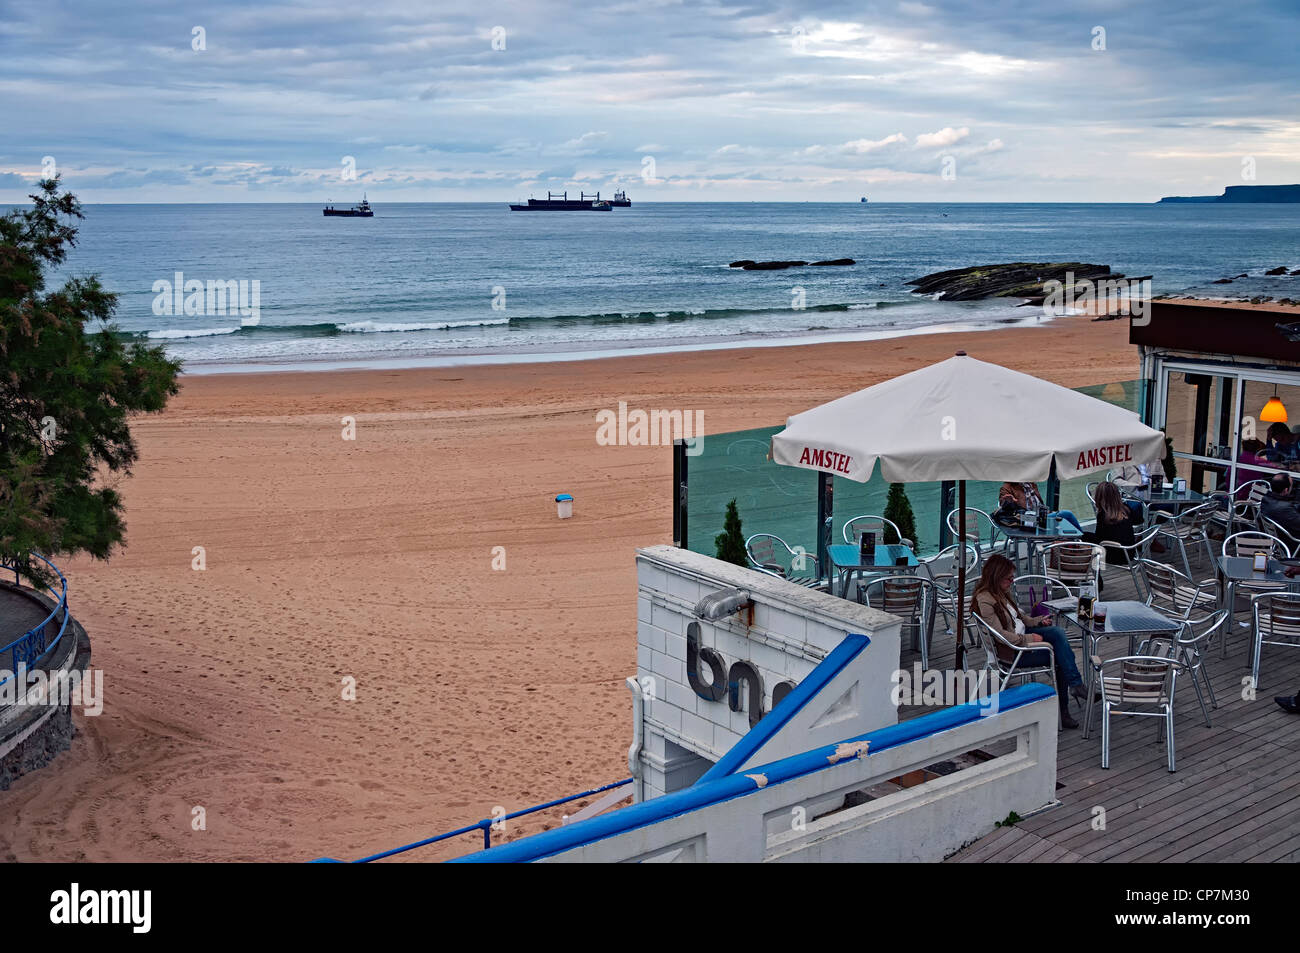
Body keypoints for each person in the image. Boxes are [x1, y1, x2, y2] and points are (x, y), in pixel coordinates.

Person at [972, 554, 1087, 729]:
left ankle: (1076, 685)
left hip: (1019, 636)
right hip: (1012, 651)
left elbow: (1019, 617)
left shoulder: (1000, 591)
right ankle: (1065, 707)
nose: (1012, 581)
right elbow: (1000, 635)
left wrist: (1038, 621)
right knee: (1059, 658)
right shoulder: (985, 600)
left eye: (1012, 578)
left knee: (1057, 633)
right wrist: (1028, 639)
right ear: (996, 576)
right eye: (1008, 578)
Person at [1083, 481, 1138, 562]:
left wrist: (1082, 536)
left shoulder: (1103, 515)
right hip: (1130, 553)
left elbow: (1099, 539)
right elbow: (1138, 520)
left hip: (1114, 555)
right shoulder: (1126, 509)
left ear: (1099, 497)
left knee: (1083, 537)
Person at [997, 481, 1083, 533]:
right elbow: (1003, 505)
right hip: (1026, 520)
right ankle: (1083, 539)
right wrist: (1008, 501)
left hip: (1039, 517)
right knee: (1066, 514)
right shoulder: (1007, 487)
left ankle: (1076, 542)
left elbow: (1038, 503)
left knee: (1064, 522)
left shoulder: (1031, 483)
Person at [1260, 471, 1300, 541]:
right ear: (1286, 490)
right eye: (1291, 486)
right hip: (1291, 542)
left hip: (1276, 537)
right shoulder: (1285, 508)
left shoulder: (1266, 499)